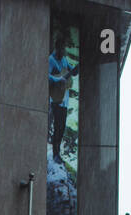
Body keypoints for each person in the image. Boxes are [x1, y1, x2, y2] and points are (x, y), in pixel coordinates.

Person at [48, 34, 77, 164]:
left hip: (64, 99)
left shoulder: (64, 59)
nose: (63, 52)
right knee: (57, 126)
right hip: (55, 98)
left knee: (62, 127)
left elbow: (72, 71)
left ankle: (57, 153)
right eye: (62, 49)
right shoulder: (51, 60)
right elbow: (46, 75)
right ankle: (55, 153)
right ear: (57, 48)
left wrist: (75, 69)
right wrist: (58, 79)